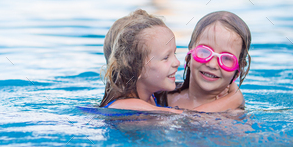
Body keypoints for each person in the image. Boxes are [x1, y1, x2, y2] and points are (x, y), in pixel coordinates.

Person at [99, 10, 243, 112]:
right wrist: (233, 100)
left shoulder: (153, 98)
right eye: (166, 57)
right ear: (135, 66)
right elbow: (188, 119)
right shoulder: (125, 106)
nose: (177, 62)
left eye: (174, 53)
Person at [156, 11, 250, 110]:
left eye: (226, 58)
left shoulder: (233, 117)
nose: (212, 64)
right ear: (189, 56)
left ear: (239, 69)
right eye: (204, 51)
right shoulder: (157, 96)